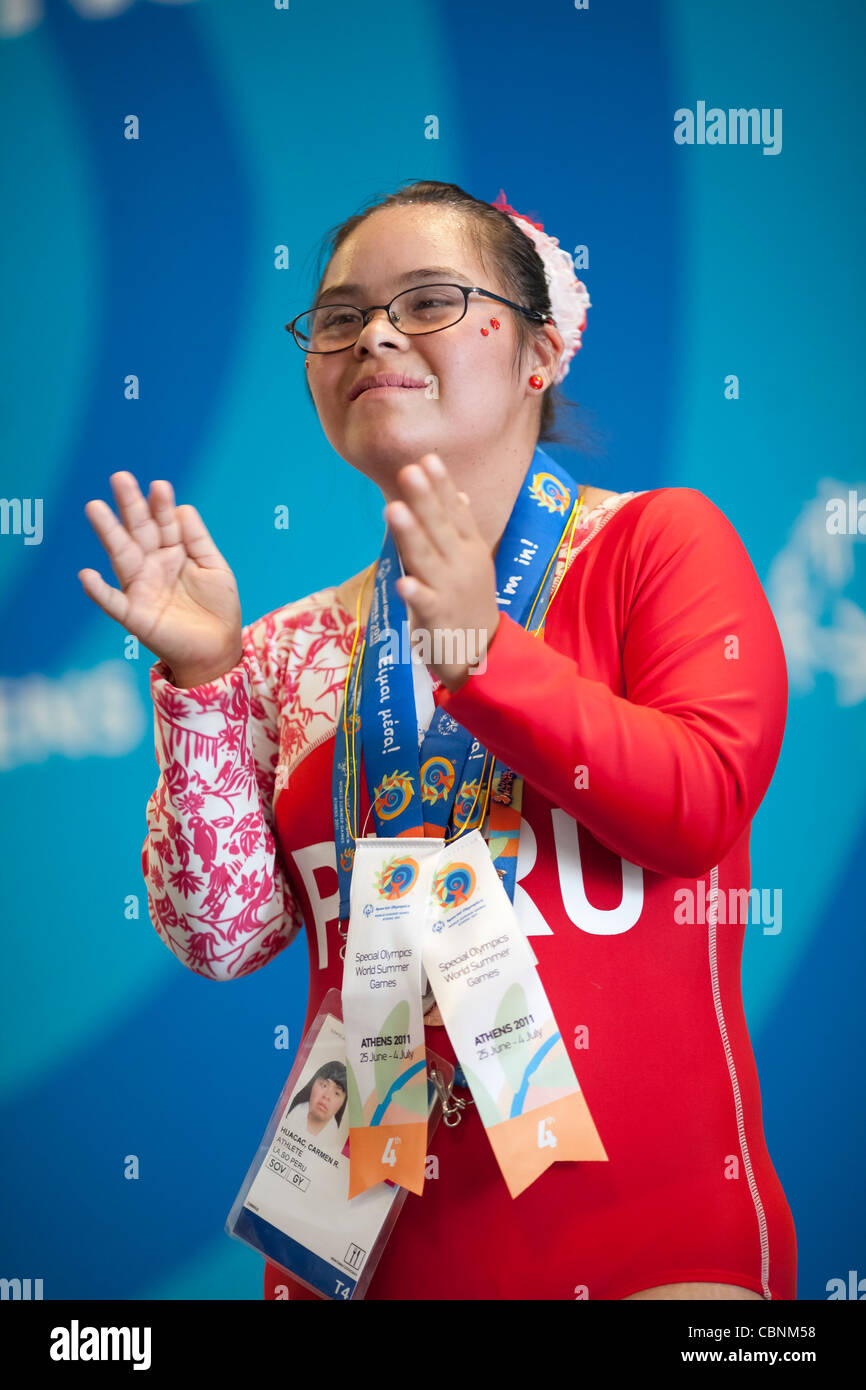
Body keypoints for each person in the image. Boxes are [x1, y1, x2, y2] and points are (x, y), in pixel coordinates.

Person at [78, 179, 797, 1302]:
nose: (371, 334)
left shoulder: (656, 545)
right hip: (353, 1258)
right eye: (339, 316)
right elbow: (220, 934)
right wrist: (206, 680)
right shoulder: (283, 646)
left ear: (538, 352)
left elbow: (697, 807)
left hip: (651, 1256)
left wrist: (482, 654)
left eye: (425, 301)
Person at [287, 1063, 348, 1141]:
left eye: (336, 1093)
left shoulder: (336, 1142)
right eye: (324, 1085)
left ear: (342, 1103)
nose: (326, 1096)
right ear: (312, 1084)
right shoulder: (288, 1113)